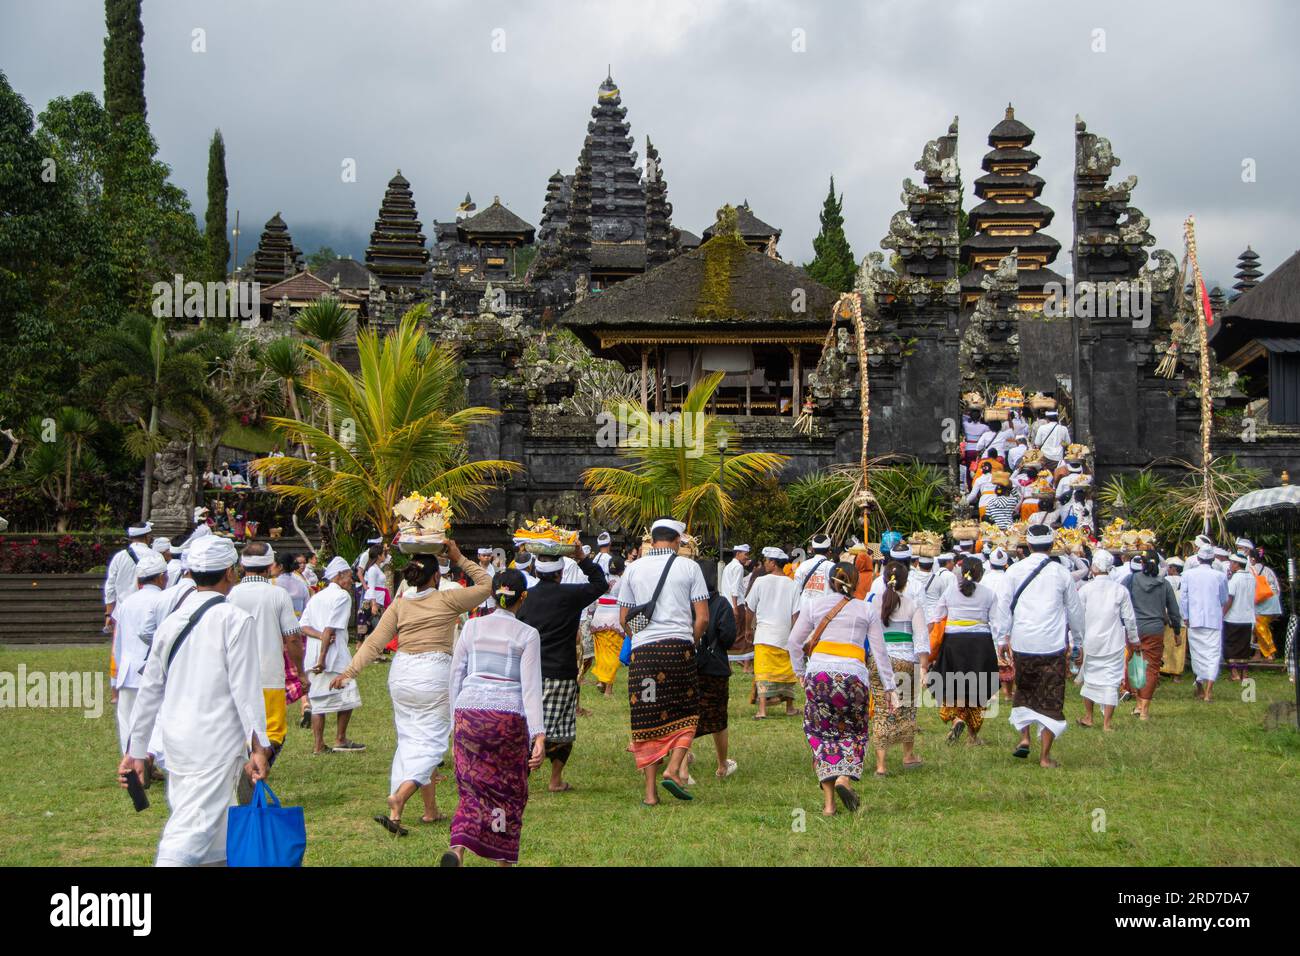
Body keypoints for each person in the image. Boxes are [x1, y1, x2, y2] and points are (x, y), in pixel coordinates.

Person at [118, 536, 271, 867]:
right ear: (230, 572)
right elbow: (246, 691)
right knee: (190, 829)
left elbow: (149, 692)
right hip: (214, 740)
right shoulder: (234, 619)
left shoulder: (171, 622)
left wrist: (137, 749)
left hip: (177, 738)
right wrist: (258, 746)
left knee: (215, 830)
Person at [335, 541, 490, 833]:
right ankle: (400, 796)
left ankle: (408, 814)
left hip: (402, 673)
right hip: (432, 673)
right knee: (432, 743)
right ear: (435, 577)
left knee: (409, 740)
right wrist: (458, 557)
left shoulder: (401, 604)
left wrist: (349, 671)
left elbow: (374, 642)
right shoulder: (448, 599)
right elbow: (486, 584)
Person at [441, 570, 546, 867]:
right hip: (507, 718)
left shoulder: (472, 628)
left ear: (492, 596)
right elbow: (530, 687)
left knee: (471, 787)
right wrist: (538, 734)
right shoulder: (527, 634)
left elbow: (455, 675)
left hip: (468, 713)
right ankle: (503, 859)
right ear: (522, 598)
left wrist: (455, 724)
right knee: (509, 788)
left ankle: (459, 846)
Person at [787, 562, 896, 814]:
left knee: (822, 736)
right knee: (854, 732)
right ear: (857, 582)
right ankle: (844, 778)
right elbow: (880, 652)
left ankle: (828, 806)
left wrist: (801, 673)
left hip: (820, 675)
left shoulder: (814, 606)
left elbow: (794, 642)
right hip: (853, 679)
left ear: (829, 581)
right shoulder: (866, 610)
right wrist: (890, 687)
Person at [617, 518, 708, 805]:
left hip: (644, 656)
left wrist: (641, 640)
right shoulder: (689, 567)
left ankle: (650, 794)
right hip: (678, 652)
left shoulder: (632, 569)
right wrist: (690, 642)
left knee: (647, 720)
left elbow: (623, 620)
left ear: (652, 540)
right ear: (679, 541)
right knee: (687, 711)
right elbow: (702, 617)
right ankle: (673, 768)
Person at [517, 545, 606, 793]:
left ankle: (522, 777)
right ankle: (555, 780)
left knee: (528, 726)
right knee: (562, 729)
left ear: (536, 570)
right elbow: (600, 583)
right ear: (560, 573)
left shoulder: (526, 597)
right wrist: (582, 558)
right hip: (561, 671)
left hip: (530, 672)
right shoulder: (570, 594)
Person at [996, 523, 1085, 768]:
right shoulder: (1061, 573)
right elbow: (1075, 612)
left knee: (1024, 690)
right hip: (1052, 645)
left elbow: (1003, 607)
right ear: (1052, 544)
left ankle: (1024, 738)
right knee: (1051, 698)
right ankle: (1045, 757)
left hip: (1023, 642)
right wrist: (1077, 642)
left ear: (1028, 544)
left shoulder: (1014, 571)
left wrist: (1002, 639)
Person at [227, 543, 304, 764]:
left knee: (240, 731)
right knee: (273, 733)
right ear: (271, 565)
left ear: (242, 565)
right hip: (270, 675)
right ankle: (257, 767)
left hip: (237, 674)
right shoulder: (278, 595)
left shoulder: (231, 595)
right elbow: (292, 637)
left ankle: (245, 769)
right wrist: (301, 673)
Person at [930, 556, 1002, 745]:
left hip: (954, 642)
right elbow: (996, 623)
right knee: (977, 690)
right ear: (981, 574)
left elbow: (937, 615)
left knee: (952, 686)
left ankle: (956, 718)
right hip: (980, 644)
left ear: (962, 573)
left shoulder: (950, 591)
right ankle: (972, 737)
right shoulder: (989, 593)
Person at [300, 557, 365, 754]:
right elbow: (330, 629)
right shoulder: (342, 597)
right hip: (331, 657)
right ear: (339, 576)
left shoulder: (317, 597)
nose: (350, 580)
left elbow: (304, 626)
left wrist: (319, 639)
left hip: (314, 653)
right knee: (347, 693)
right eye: (348, 576)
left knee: (318, 701)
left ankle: (318, 744)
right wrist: (322, 658)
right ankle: (340, 738)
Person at [871, 560, 929, 774]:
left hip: (879, 662)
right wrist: (923, 667)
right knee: (907, 710)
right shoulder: (912, 605)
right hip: (905, 662)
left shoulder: (874, 603)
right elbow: (921, 639)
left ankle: (880, 765)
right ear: (906, 584)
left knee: (881, 710)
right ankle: (908, 755)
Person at [111, 551, 170, 757]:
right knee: (157, 718)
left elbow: (118, 643)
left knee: (128, 719)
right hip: (155, 670)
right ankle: (149, 757)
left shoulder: (126, 602)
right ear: (162, 577)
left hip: (127, 671)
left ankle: (132, 760)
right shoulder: (165, 600)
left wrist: (114, 678)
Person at [1076, 551, 1138, 731]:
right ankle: (1107, 724)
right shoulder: (1120, 590)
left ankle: (1089, 717)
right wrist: (1134, 639)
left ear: (1094, 568)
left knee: (1090, 679)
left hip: (1091, 641)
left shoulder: (1086, 589)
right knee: (1111, 681)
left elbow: (1078, 617)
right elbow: (1130, 618)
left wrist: (1077, 642)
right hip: (1114, 641)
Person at [1121, 551, 1182, 719]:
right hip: (1155, 630)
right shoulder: (1164, 584)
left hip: (1134, 629)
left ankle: (1140, 705)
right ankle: (1143, 708)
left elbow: (1119, 600)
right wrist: (1177, 632)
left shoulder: (1131, 580)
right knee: (1152, 668)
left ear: (1141, 563)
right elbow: (1174, 611)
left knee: (1136, 665)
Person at [694, 558, 738, 779]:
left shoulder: (685, 602)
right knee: (718, 718)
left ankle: (682, 762)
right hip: (715, 666)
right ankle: (722, 764)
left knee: (685, 715)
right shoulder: (721, 604)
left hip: (688, 664)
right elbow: (729, 637)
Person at [745, 546, 800, 718]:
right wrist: (795, 635)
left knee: (762, 671)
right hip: (784, 634)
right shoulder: (793, 584)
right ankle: (789, 707)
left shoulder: (760, 582)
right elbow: (795, 614)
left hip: (764, 634)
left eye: (767, 561)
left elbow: (750, 608)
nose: (764, 564)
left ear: (773, 563)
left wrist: (747, 628)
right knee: (787, 671)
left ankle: (762, 710)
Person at [1178, 544, 1229, 702]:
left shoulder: (1187, 574)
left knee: (1197, 654)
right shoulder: (1220, 576)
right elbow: (1223, 599)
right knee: (1213, 654)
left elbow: (1184, 598)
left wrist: (1185, 615)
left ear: (1198, 558)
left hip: (1194, 619)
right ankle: (1208, 691)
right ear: (1213, 559)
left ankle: (1201, 688)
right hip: (1213, 618)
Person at [104, 522, 154, 636]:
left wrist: (108, 614)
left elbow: (110, 587)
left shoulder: (119, 557)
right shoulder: (155, 556)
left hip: (122, 612)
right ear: (147, 536)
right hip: (147, 611)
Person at [589, 556, 625, 696]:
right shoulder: (623, 582)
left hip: (598, 619)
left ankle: (601, 681)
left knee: (601, 653)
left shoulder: (601, 580)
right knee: (613, 655)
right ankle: (608, 689)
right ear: (622, 570)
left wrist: (591, 613)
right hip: (615, 621)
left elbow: (593, 601)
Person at [1223, 552, 1256, 681]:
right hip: (1247, 617)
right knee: (1243, 646)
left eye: (1232, 562)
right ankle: (1244, 674)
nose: (1230, 565)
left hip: (1233, 617)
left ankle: (1234, 674)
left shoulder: (1235, 579)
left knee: (1230, 646)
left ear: (1237, 565)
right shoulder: (1252, 578)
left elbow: (1230, 598)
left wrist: (1222, 614)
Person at [792, 535, 835, 622]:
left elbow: (796, 590)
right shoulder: (832, 567)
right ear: (829, 549)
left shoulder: (803, 566)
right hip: (825, 615)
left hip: (805, 612)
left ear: (813, 549)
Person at [1251, 548, 1282, 661]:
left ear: (1252, 559)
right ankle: (1267, 654)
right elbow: (1277, 587)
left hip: (1262, 602)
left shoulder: (1251, 569)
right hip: (1273, 601)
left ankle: (1270, 652)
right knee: (1262, 628)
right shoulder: (1268, 570)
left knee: (1260, 628)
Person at [1160, 557, 1188, 679]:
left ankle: (1165, 668)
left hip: (1167, 615)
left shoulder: (1165, 580)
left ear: (1174, 568)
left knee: (1166, 644)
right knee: (1179, 647)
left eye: (1169, 567)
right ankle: (1176, 673)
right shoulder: (1185, 580)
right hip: (1182, 616)